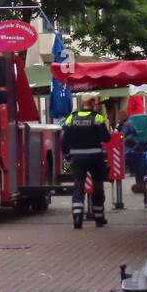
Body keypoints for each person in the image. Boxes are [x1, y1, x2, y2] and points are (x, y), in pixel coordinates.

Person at [62, 93, 111, 228]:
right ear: (92, 103)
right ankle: (99, 217)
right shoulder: (98, 118)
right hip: (95, 158)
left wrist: (67, 154)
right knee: (98, 186)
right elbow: (106, 138)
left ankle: (77, 217)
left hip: (77, 159)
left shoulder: (71, 118)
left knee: (78, 186)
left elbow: (64, 139)